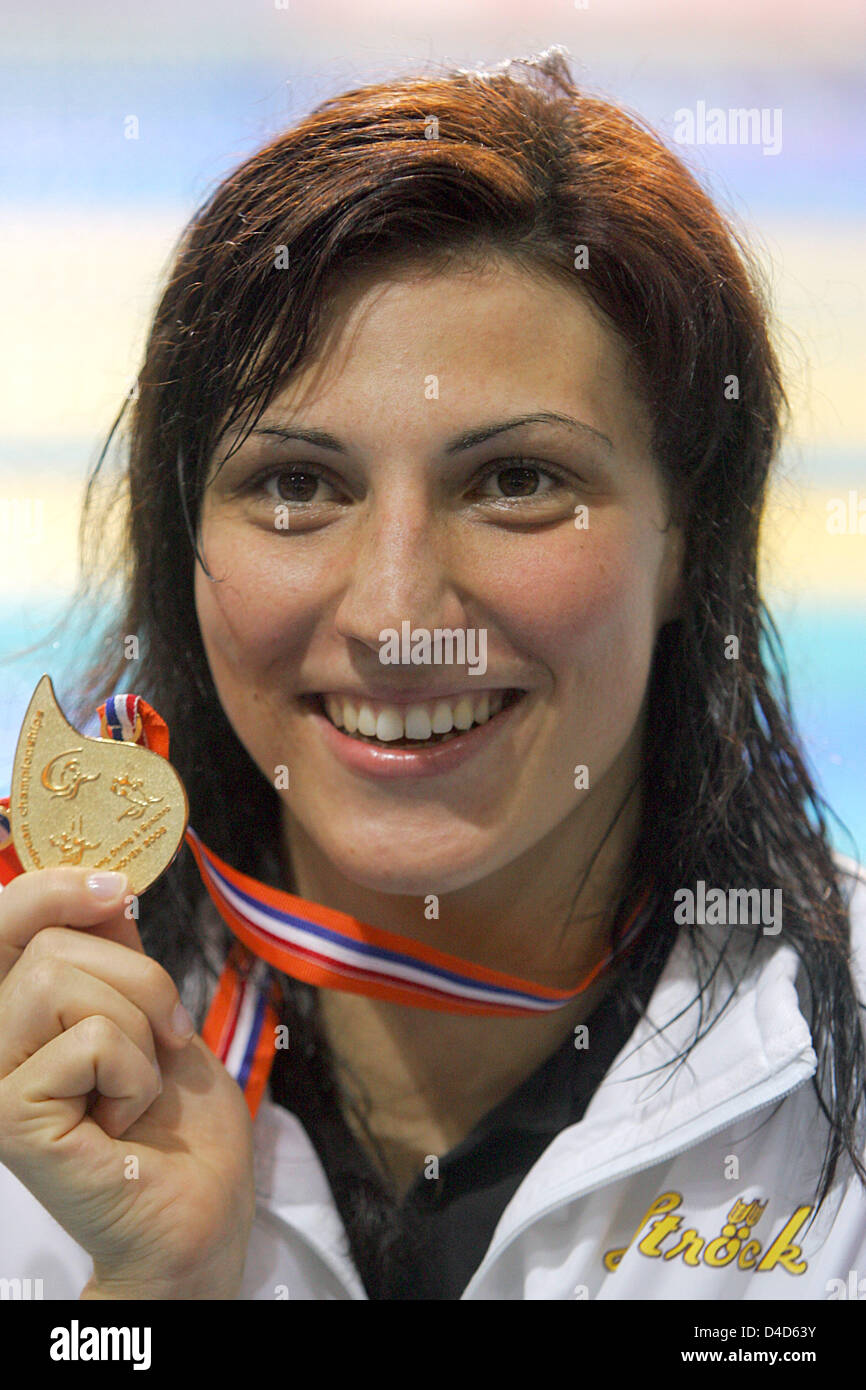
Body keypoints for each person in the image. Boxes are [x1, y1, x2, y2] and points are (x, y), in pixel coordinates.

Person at [0, 47, 864, 1302]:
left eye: (516, 481)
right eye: (296, 485)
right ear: (183, 540)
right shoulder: (34, 1056)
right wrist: (147, 1291)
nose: (397, 615)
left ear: (688, 539)